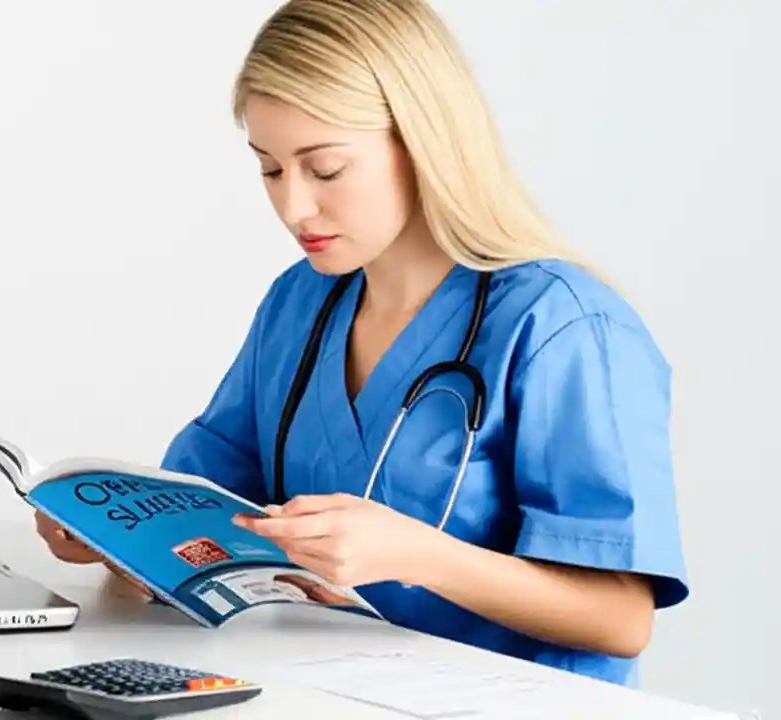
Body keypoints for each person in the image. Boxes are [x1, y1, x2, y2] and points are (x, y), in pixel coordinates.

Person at [34, 0, 688, 687]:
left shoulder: (563, 326)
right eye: (270, 169)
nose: (293, 208)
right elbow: (212, 512)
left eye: (325, 169)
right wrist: (115, 536)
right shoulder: (303, 302)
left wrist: (418, 554)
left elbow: (620, 618)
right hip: (322, 690)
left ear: (423, 142)